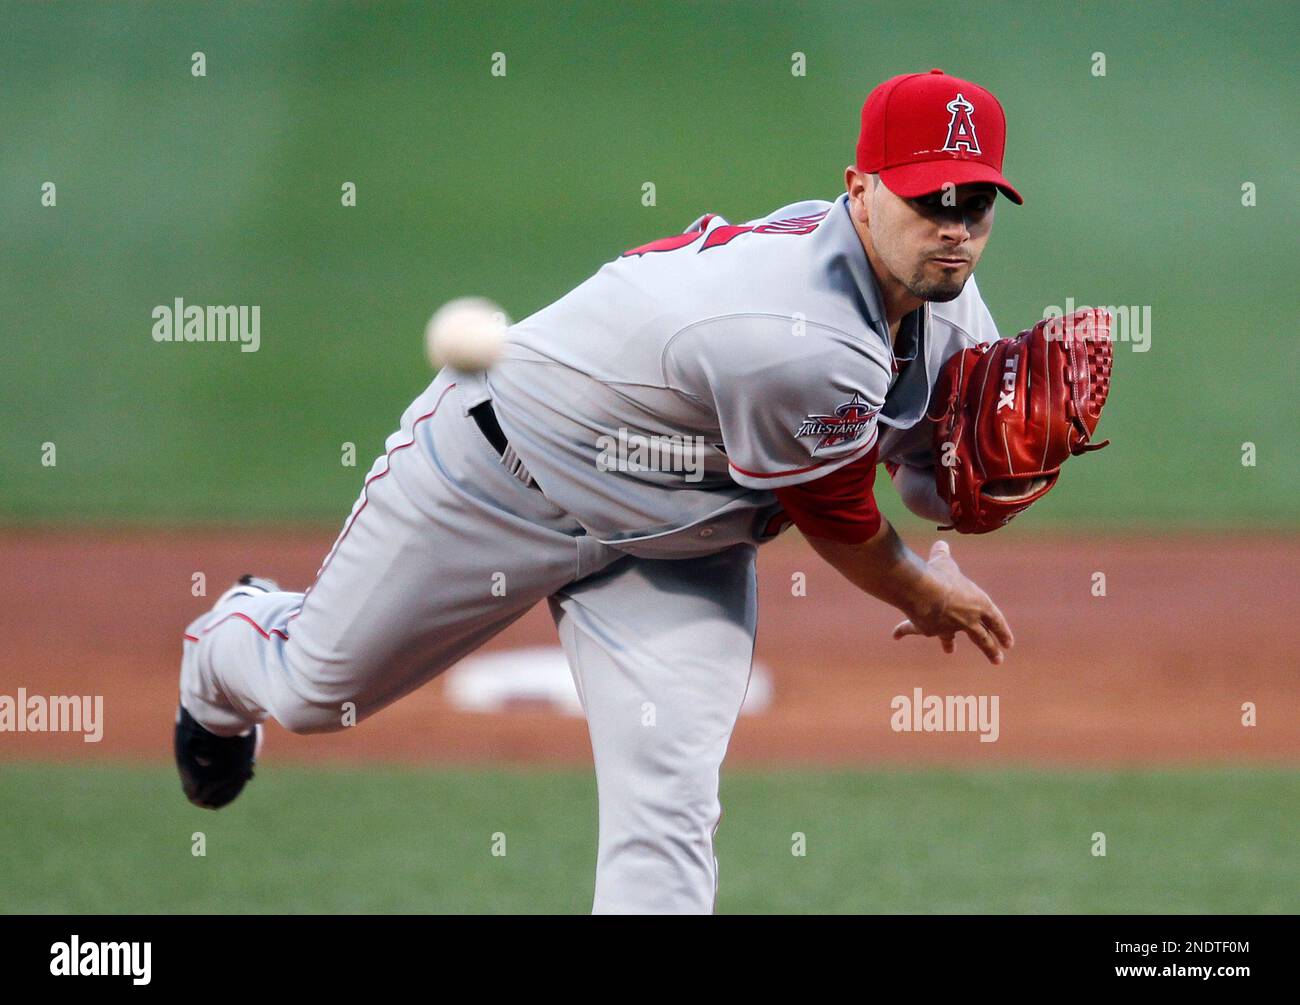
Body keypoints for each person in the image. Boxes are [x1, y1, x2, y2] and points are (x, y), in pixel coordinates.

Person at [175, 69, 1017, 914]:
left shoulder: (947, 302)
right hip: (496, 482)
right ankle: (227, 643)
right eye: (928, 200)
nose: (953, 231)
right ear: (860, 192)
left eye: (972, 206)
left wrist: (970, 492)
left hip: (674, 551)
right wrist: (924, 589)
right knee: (314, 692)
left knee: (670, 810)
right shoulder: (796, 337)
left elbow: (923, 477)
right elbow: (840, 520)